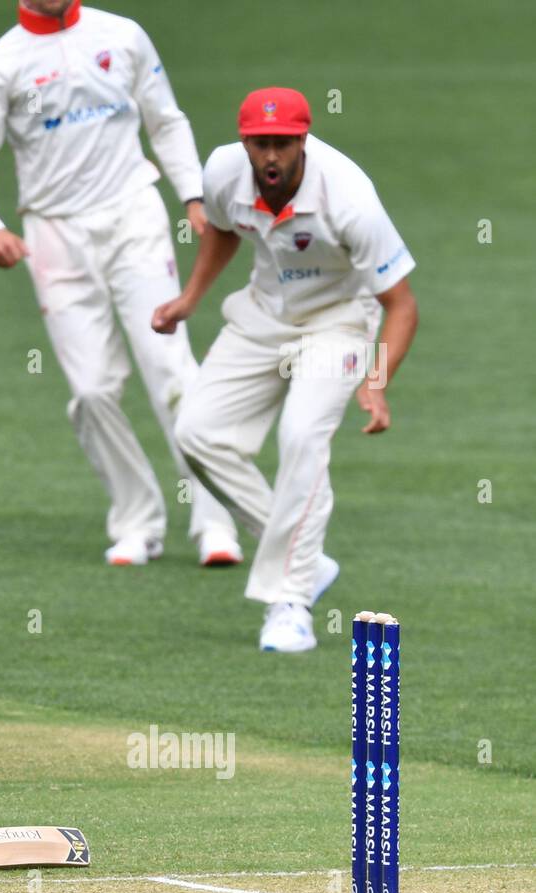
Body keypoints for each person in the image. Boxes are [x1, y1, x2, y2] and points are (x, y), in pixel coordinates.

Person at [0, 0, 241, 567]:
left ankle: (216, 521)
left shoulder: (123, 36)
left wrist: (193, 194)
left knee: (170, 369)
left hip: (134, 215)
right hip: (54, 234)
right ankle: (136, 522)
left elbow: (166, 119)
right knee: (91, 389)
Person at [152, 88, 418, 651]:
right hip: (264, 314)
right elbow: (222, 228)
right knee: (197, 433)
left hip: (340, 322)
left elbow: (402, 304)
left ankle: (290, 601)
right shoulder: (225, 170)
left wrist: (376, 381)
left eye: (282, 144)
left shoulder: (350, 197)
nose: (270, 157)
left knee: (301, 436)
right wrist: (190, 299)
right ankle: (307, 560)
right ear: (244, 141)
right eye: (260, 144)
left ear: (303, 140)